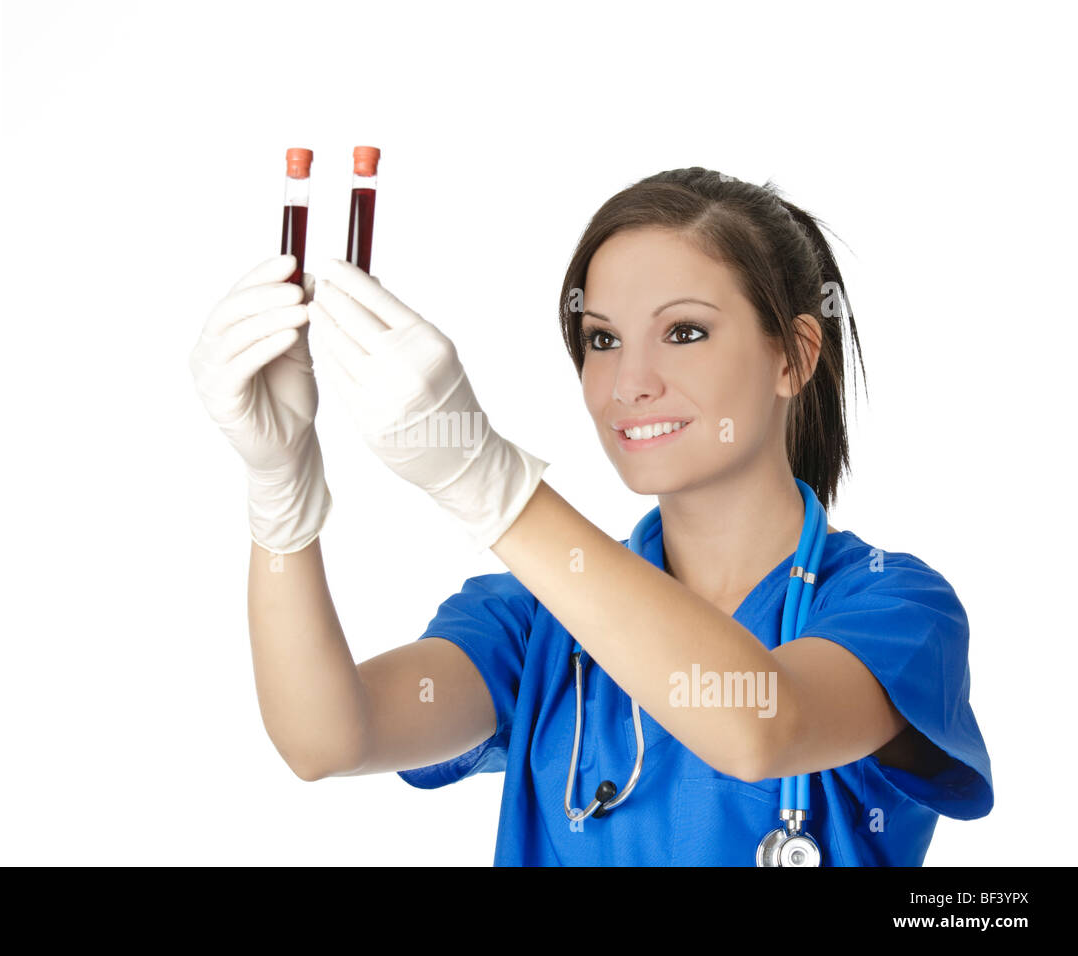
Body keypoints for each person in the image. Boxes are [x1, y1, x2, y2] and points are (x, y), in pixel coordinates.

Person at [188, 166, 993, 866]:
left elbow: (762, 727)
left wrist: (492, 484)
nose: (628, 382)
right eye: (601, 339)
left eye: (684, 332)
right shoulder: (538, 618)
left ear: (794, 356)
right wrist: (281, 497)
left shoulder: (894, 608)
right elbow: (327, 737)